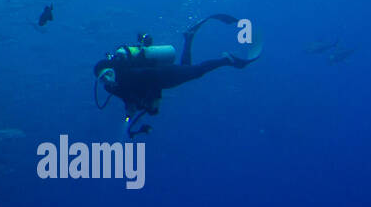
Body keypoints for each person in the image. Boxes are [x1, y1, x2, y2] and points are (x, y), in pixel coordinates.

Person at [93, 14, 262, 137]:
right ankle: (189, 37)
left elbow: (151, 80)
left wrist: (154, 101)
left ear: (113, 70)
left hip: (163, 76)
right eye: (102, 79)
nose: (107, 79)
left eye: (108, 74)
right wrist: (130, 105)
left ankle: (226, 60)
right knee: (187, 69)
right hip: (160, 81)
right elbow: (127, 96)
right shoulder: (110, 88)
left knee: (196, 71)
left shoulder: (131, 74)